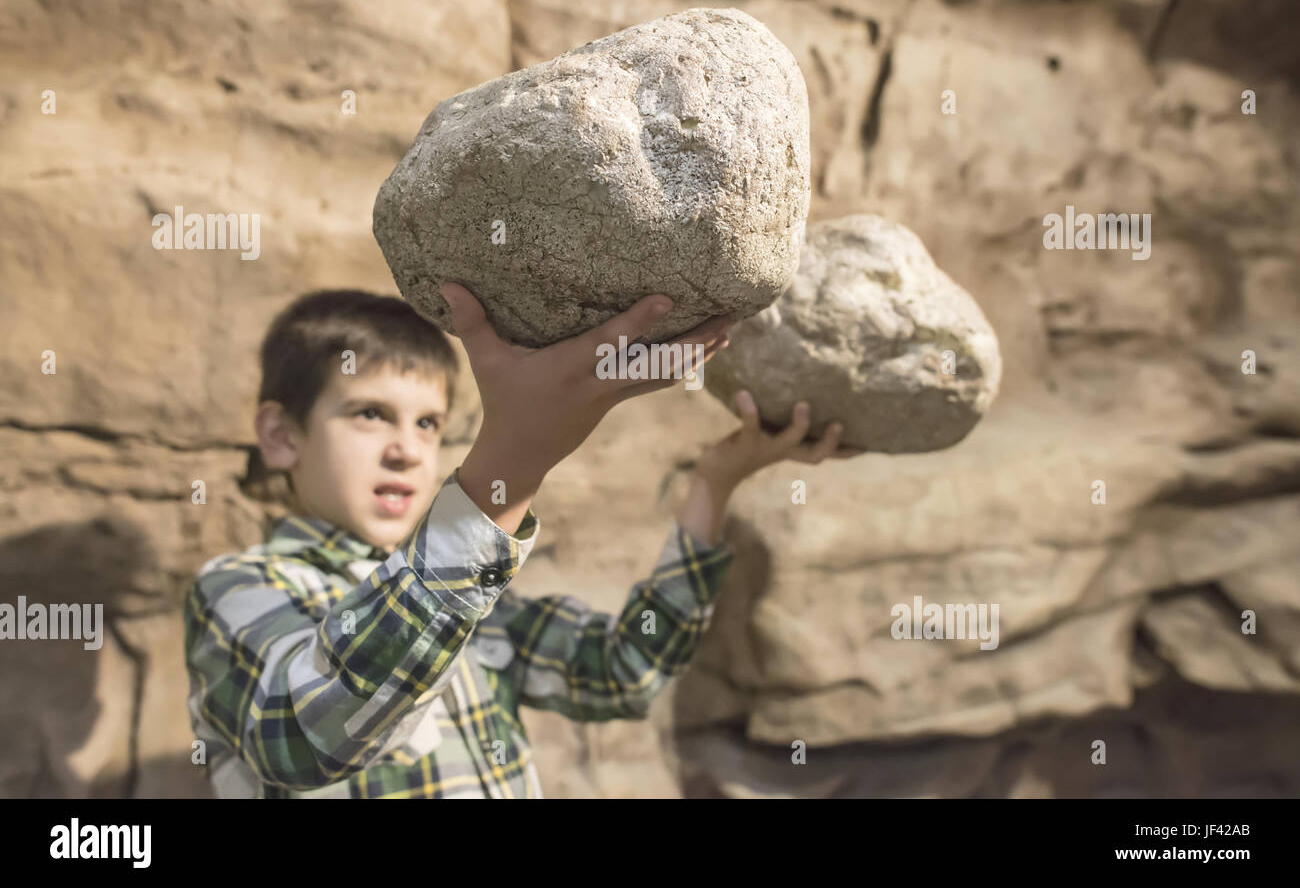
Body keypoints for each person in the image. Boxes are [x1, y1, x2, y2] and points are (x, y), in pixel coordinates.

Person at [182, 284, 855, 797]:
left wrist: (714, 483)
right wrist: (511, 458)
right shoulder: (239, 587)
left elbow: (623, 670)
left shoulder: (478, 609)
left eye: (428, 424)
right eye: (369, 414)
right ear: (280, 435)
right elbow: (304, 735)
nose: (406, 451)